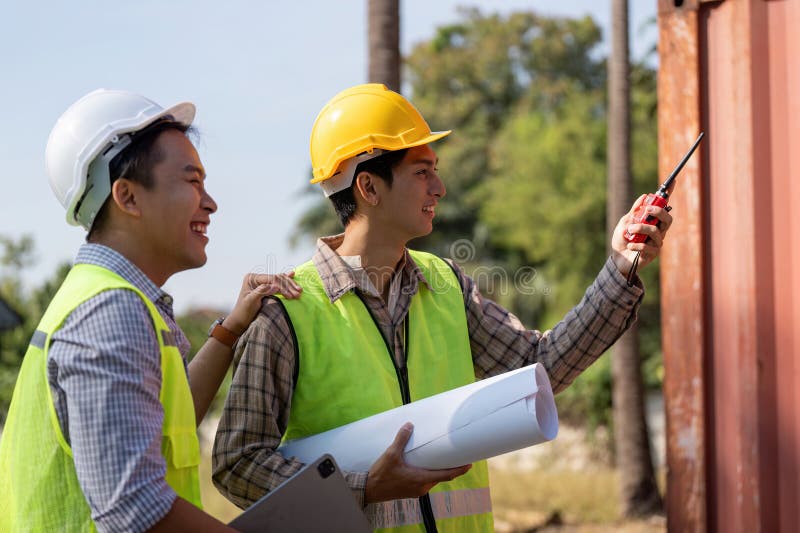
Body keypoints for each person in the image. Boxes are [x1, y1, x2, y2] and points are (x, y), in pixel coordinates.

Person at [212, 84, 672, 532]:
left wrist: (621, 267)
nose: (440, 187)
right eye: (421, 171)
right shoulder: (286, 312)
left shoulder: (446, 284)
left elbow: (540, 367)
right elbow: (237, 462)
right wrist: (362, 488)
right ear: (369, 187)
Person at [0, 89, 301, 532]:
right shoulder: (109, 311)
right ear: (128, 197)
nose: (211, 202)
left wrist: (228, 331)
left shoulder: (112, 299)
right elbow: (134, 509)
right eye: (192, 180)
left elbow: (164, 428)